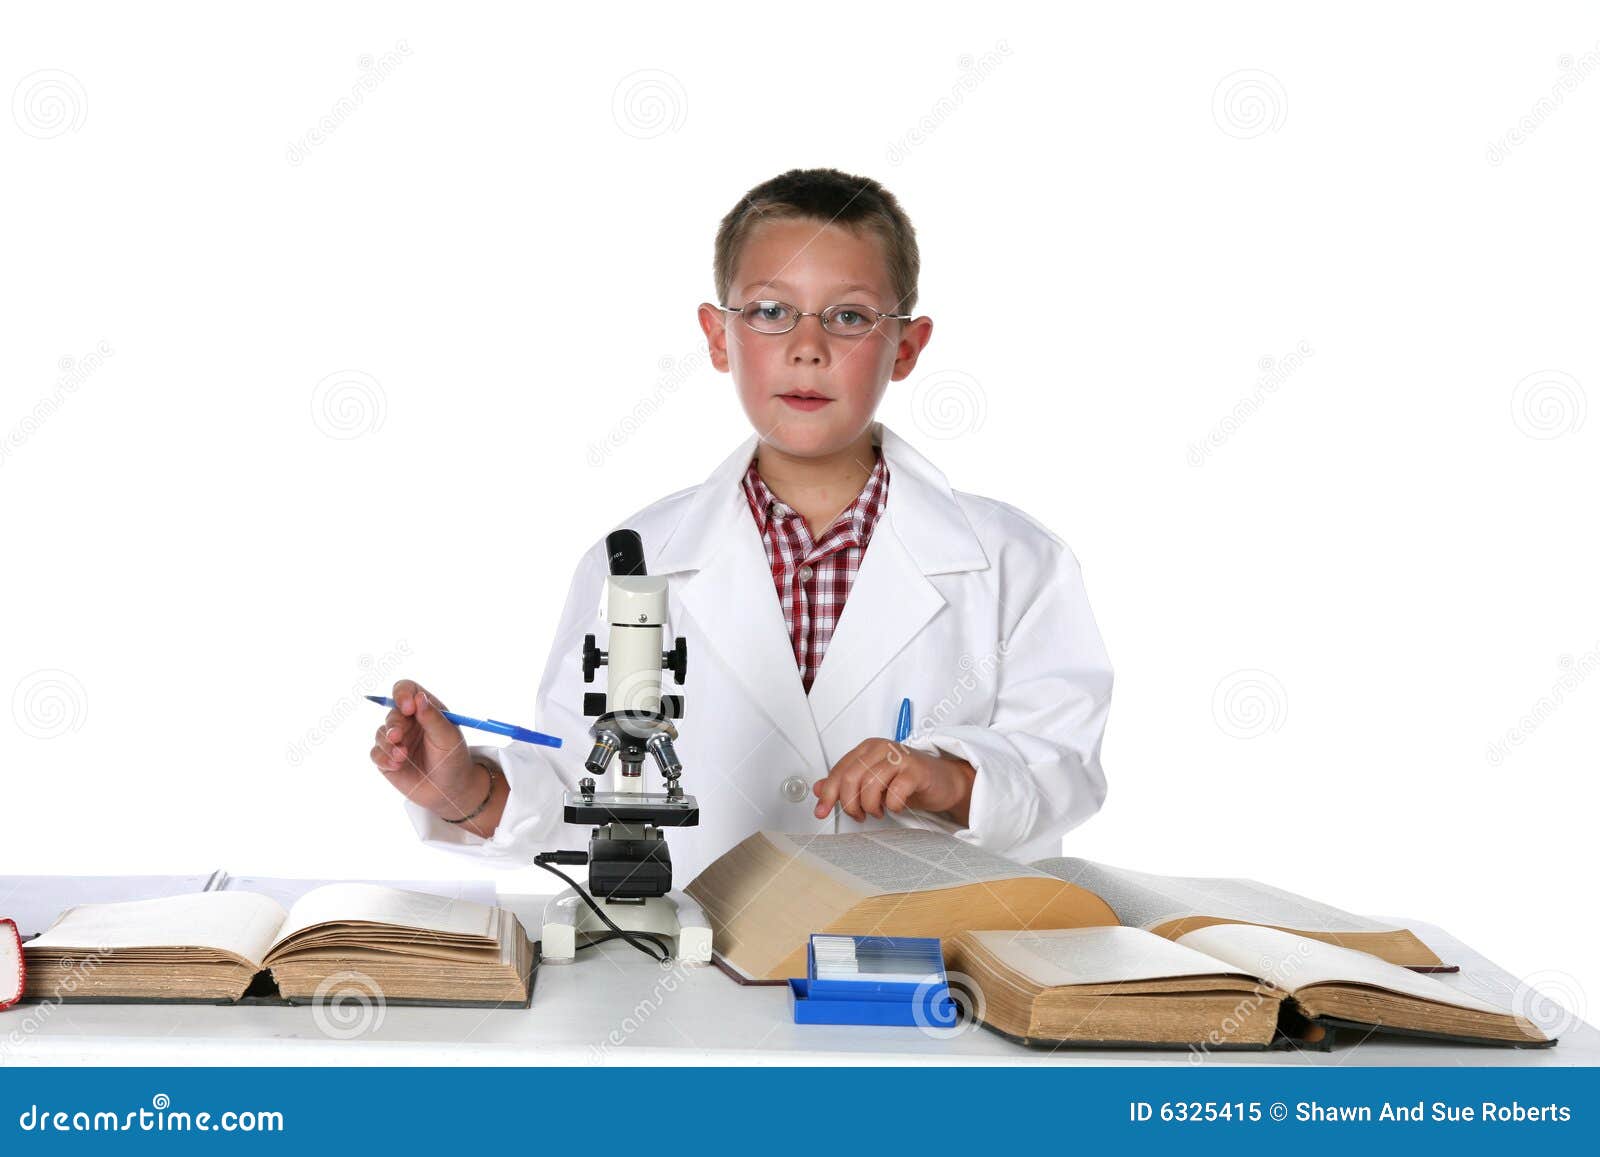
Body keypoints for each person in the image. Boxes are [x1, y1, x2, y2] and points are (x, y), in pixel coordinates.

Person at [371, 167, 1114, 884]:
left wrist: (946, 777)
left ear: (908, 347)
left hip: (925, 981)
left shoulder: (1017, 563)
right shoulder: (634, 560)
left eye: (850, 316)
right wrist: (464, 789)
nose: (808, 346)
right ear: (719, 336)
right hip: (692, 986)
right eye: (769, 311)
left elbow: (1062, 768)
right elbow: (581, 793)